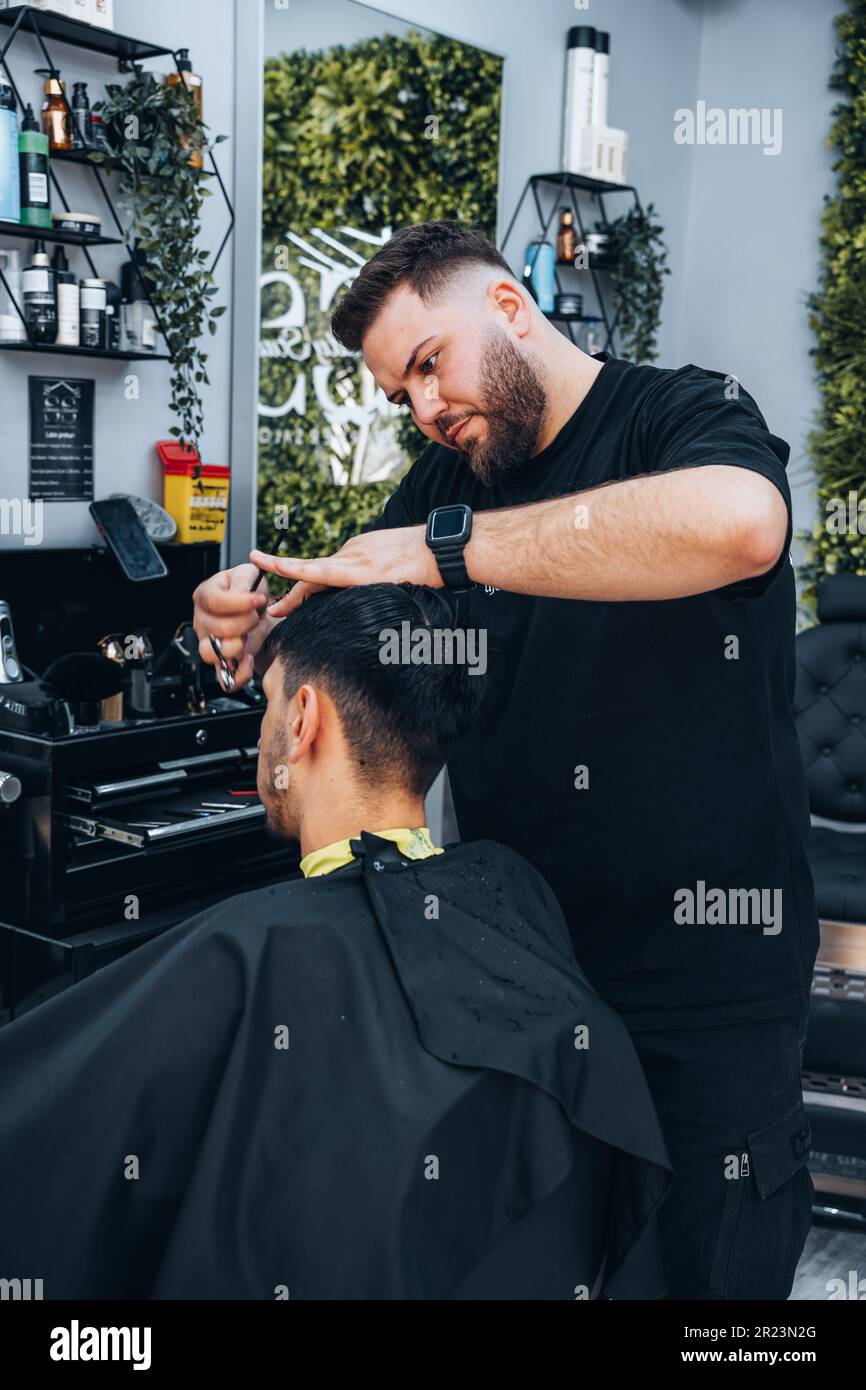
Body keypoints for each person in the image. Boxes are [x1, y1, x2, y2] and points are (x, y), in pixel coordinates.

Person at [193, 221, 819, 1300]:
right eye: (401, 395)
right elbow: (348, 623)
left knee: (707, 1289)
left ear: (510, 307)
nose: (424, 409)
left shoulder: (678, 411)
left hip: (701, 985)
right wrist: (239, 634)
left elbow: (739, 523)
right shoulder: (452, 471)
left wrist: (447, 549)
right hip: (526, 976)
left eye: (428, 363)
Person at [0, 582, 671, 1301]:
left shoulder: (243, 950)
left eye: (267, 706)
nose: (262, 734)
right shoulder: (514, 889)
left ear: (304, 719)